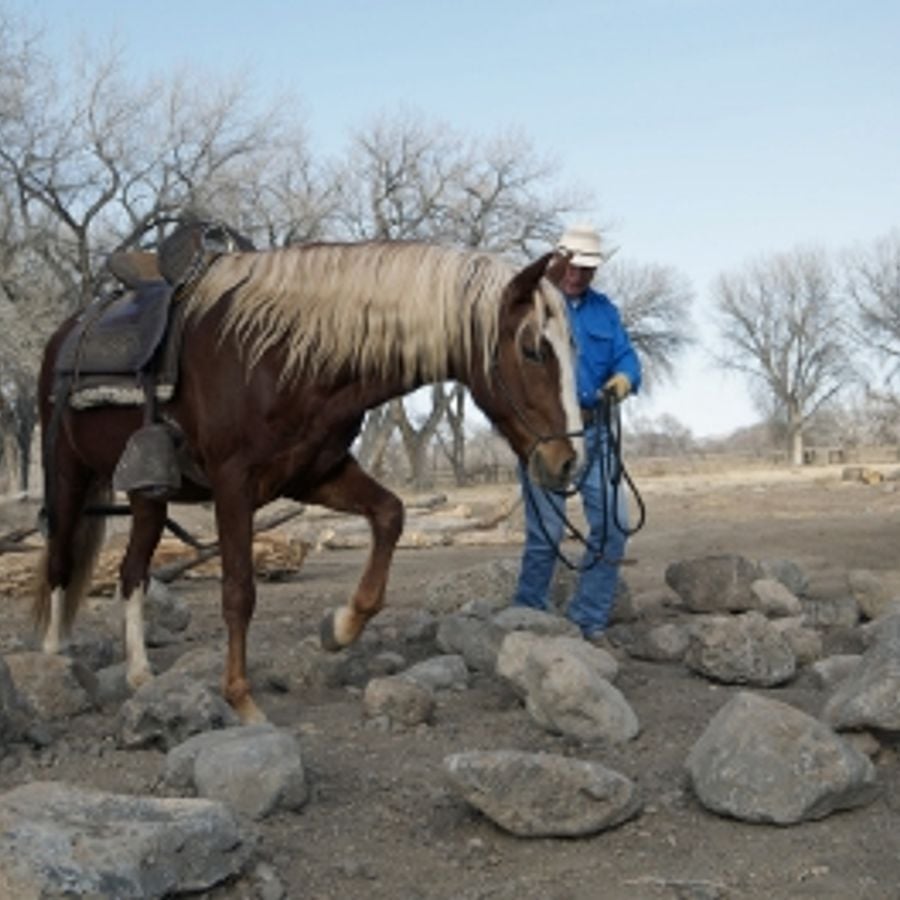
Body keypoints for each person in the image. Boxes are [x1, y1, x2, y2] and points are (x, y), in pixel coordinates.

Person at [512, 223, 642, 642]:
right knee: (546, 532)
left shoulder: (605, 311)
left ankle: (589, 620)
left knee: (613, 526)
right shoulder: (531, 305)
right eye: (572, 265)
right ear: (558, 260)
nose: (578, 275)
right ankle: (528, 615)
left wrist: (623, 379)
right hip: (546, 435)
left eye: (587, 268)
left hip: (595, 431)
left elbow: (627, 359)